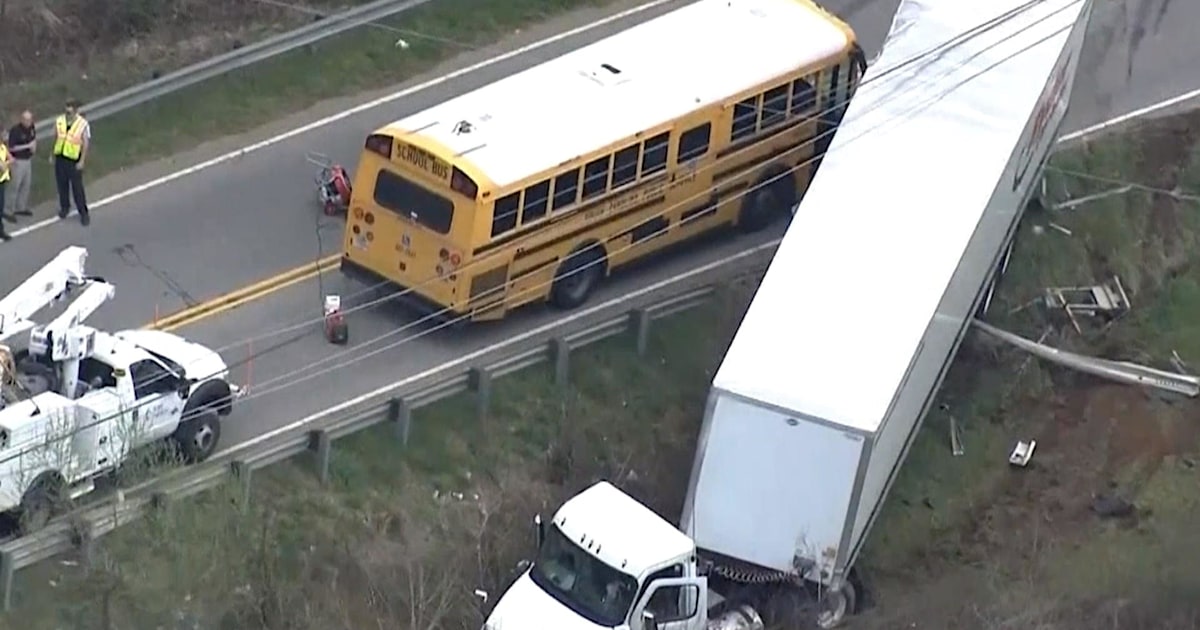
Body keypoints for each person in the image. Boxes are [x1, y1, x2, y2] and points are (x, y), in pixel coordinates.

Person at [51, 99, 90, 226]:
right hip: (60, 158)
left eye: (71, 111)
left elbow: (85, 143)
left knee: (77, 188)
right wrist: (52, 154)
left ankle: (83, 213)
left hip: (73, 160)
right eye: (67, 110)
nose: (68, 113)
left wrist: (82, 160)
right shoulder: (59, 121)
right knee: (62, 186)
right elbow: (56, 138)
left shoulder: (82, 124)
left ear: (76, 111)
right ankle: (65, 208)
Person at [5, 110, 36, 220]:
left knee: (26, 185)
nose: (28, 122)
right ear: (22, 119)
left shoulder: (31, 128)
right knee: (14, 186)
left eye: (30, 119)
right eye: (26, 120)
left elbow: (33, 140)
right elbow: (11, 147)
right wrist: (27, 146)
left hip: (28, 160)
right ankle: (8, 210)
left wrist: (33, 148)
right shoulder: (15, 131)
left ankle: (20, 207)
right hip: (17, 161)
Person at [0, 142, 13, 241]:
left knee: (0, 207)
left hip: (2, 181)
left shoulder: (3, 148)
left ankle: (1, 231)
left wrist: (5, 163)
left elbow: (11, 159)